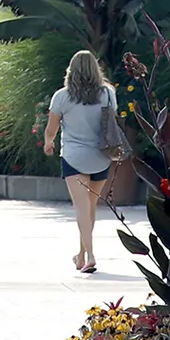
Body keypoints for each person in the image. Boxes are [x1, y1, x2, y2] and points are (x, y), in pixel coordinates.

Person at [43, 49, 122, 274]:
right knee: (90, 208)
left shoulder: (62, 96)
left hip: (74, 157)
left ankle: (91, 255)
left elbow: (52, 128)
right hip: (101, 156)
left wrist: (49, 143)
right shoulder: (108, 93)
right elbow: (111, 122)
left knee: (81, 208)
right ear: (96, 70)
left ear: (71, 70)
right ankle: (80, 255)